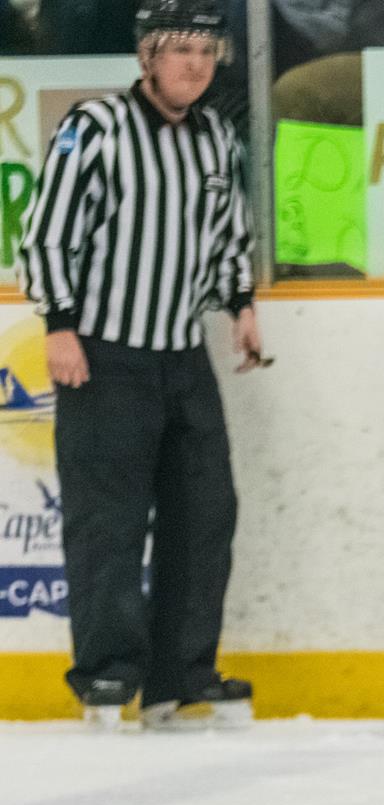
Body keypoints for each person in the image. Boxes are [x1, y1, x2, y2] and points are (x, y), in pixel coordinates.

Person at [15, 0, 264, 730]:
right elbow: (47, 232)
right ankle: (106, 676)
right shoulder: (93, 128)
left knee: (205, 513)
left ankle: (177, 677)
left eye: (207, 50)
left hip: (183, 356)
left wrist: (241, 304)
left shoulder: (216, 135)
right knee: (108, 522)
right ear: (147, 55)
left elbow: (228, 234)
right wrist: (60, 325)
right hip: (103, 356)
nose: (197, 63)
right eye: (180, 48)